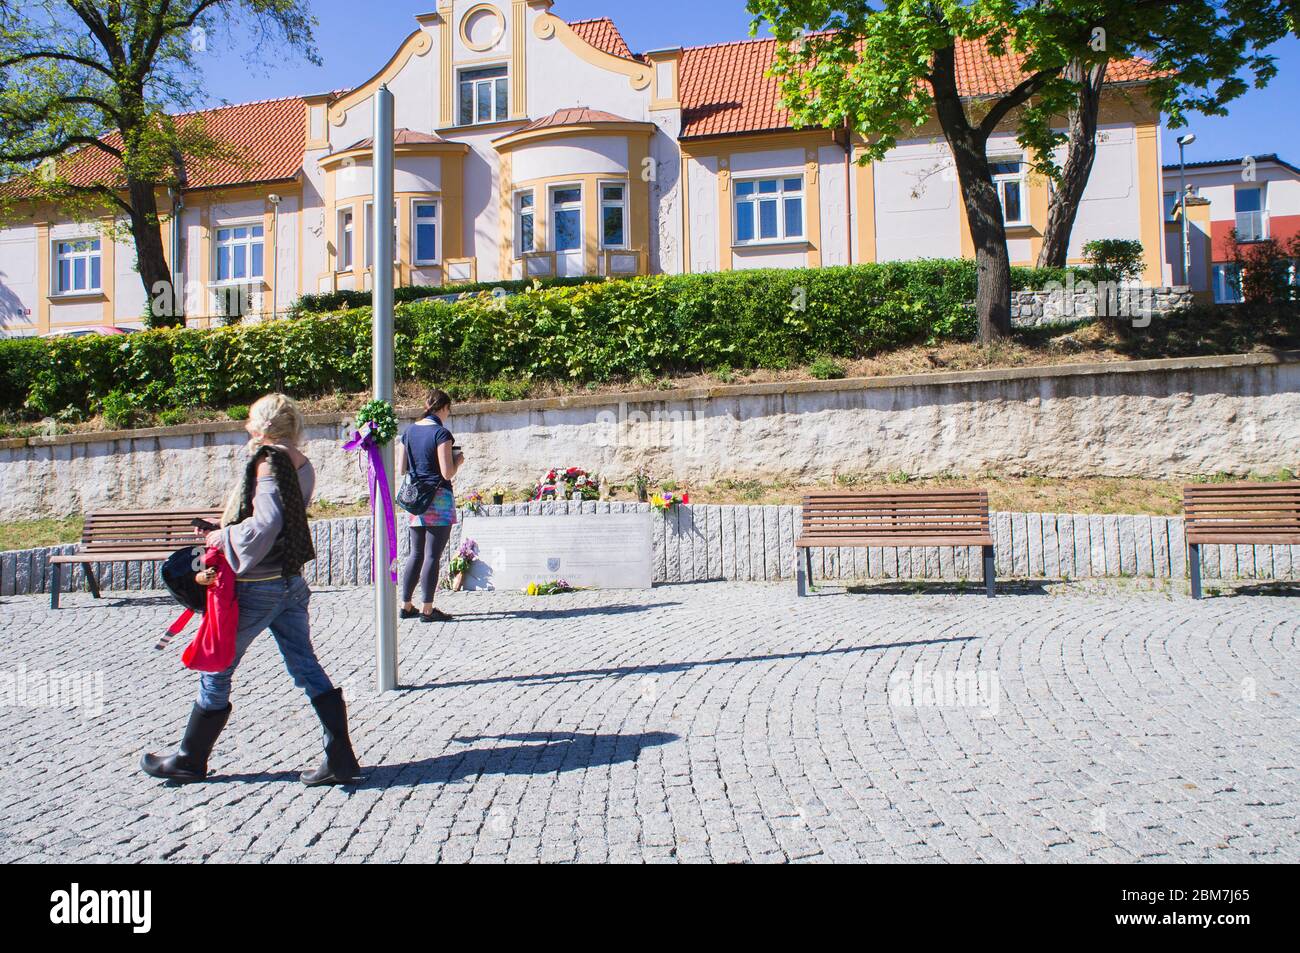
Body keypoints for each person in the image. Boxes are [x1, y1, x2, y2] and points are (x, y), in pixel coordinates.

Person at [141, 393, 362, 787]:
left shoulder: (268, 462)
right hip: (290, 582)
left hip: (258, 585)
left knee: (217, 662)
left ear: (261, 427)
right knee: (305, 666)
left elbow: (266, 524)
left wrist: (221, 536)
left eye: (249, 420)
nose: (245, 425)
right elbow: (281, 518)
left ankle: (190, 758)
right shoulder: (301, 462)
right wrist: (223, 526)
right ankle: (340, 757)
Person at [396, 388, 464, 622]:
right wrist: (458, 461)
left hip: (416, 500)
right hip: (438, 499)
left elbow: (401, 468)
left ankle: (406, 605)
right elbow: (447, 473)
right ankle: (427, 609)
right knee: (432, 556)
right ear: (444, 408)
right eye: (448, 410)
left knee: (415, 554)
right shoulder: (441, 434)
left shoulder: (408, 432)